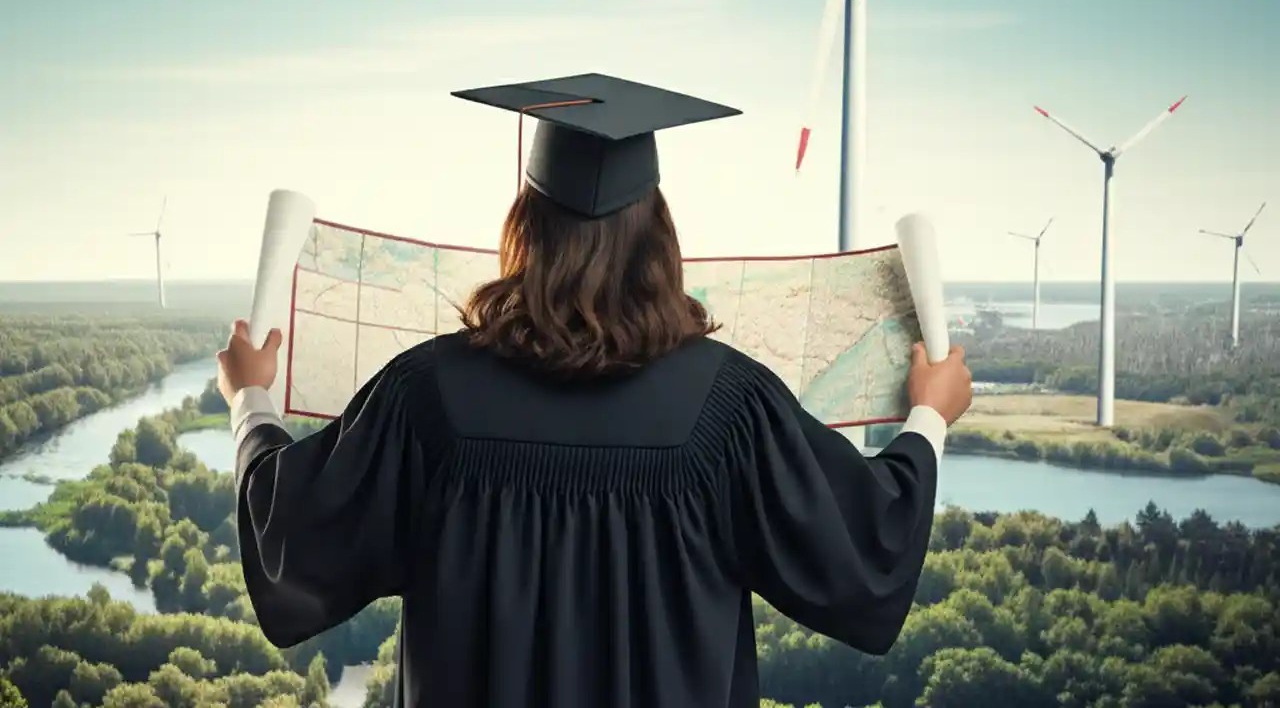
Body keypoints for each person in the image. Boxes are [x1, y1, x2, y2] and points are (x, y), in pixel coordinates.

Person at [218, 73, 973, 708]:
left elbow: (292, 554)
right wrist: (929, 417)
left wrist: (252, 404)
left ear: (524, 230)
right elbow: (870, 561)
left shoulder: (426, 399)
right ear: (659, 237)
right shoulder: (732, 410)